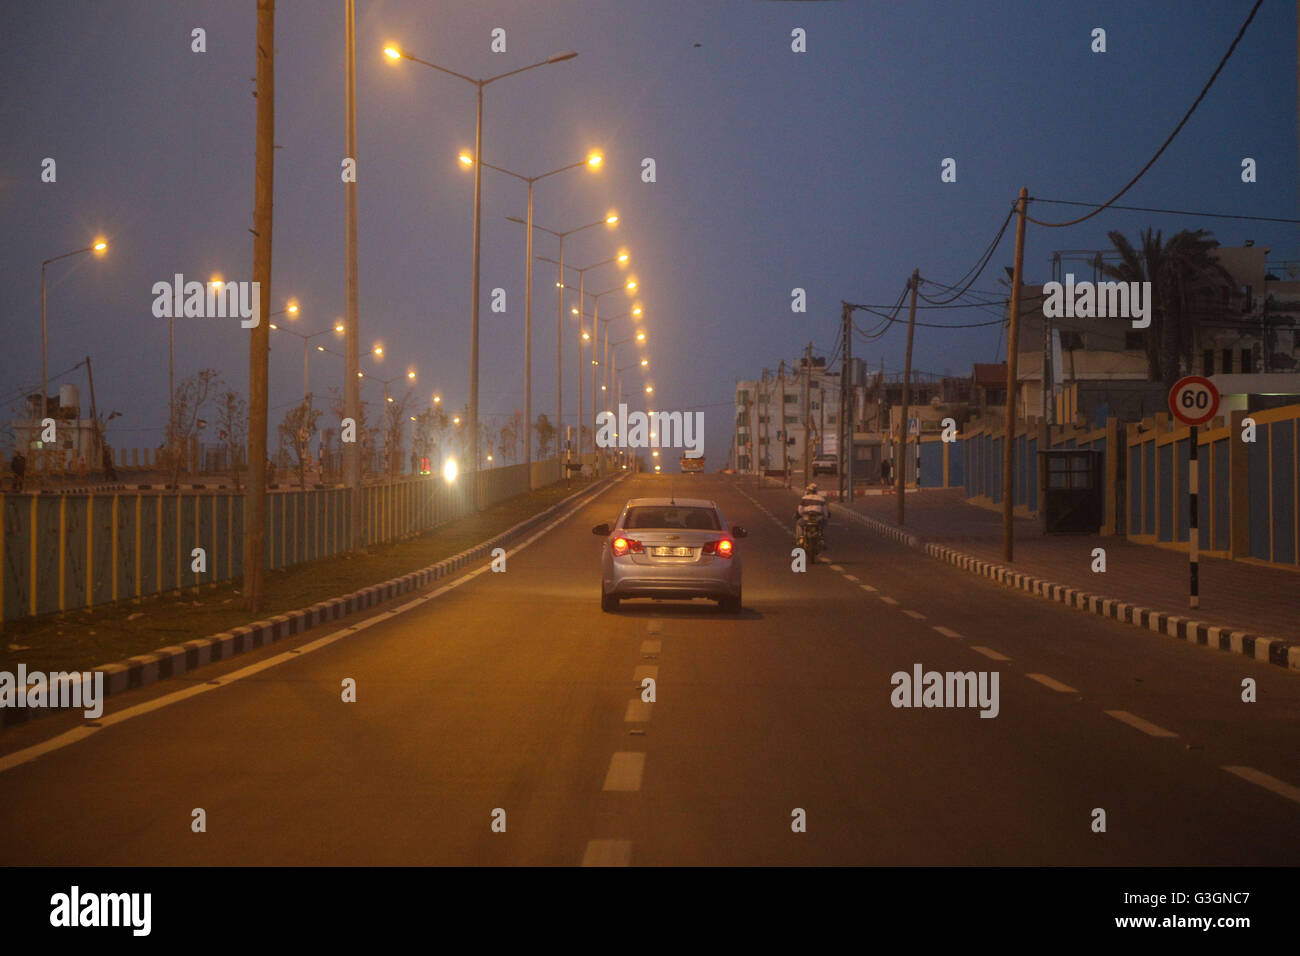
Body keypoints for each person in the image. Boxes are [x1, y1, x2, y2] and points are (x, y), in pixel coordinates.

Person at [794, 481, 830, 549]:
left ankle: (800, 539)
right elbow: (825, 511)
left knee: (799, 523)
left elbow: (800, 509)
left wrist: (800, 514)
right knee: (823, 525)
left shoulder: (804, 498)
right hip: (818, 518)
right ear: (816, 491)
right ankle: (821, 539)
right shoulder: (821, 499)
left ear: (808, 490)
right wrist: (826, 517)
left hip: (806, 518)